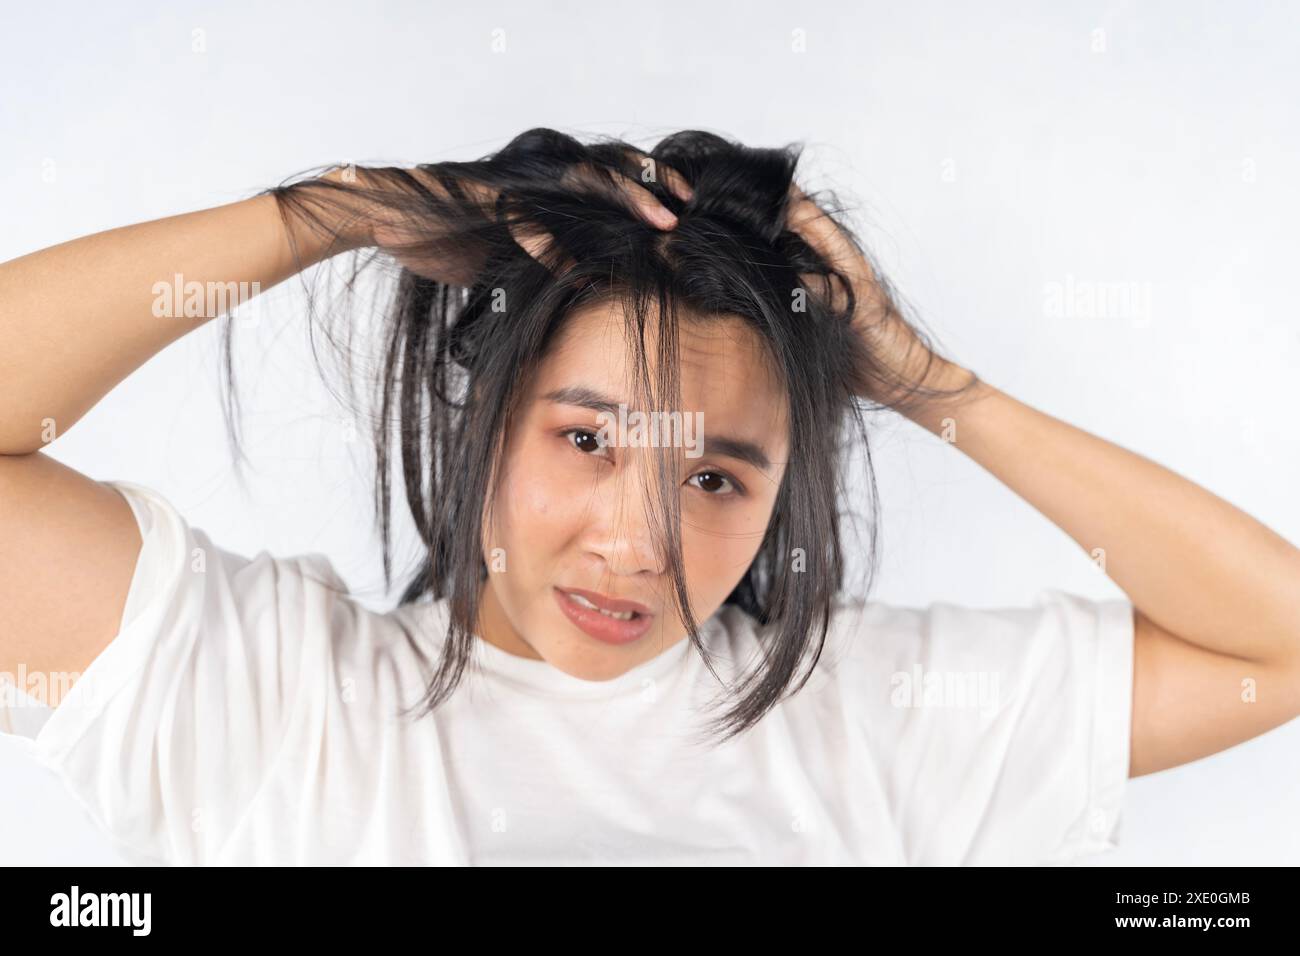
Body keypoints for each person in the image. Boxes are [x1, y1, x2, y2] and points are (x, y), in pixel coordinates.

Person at [1, 129, 1297, 866]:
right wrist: (325, 214)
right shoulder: (268, 698)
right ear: (487, 416)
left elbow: (1276, 643)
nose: (638, 544)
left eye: (718, 474)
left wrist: (934, 388)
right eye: (587, 442)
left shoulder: (884, 717)